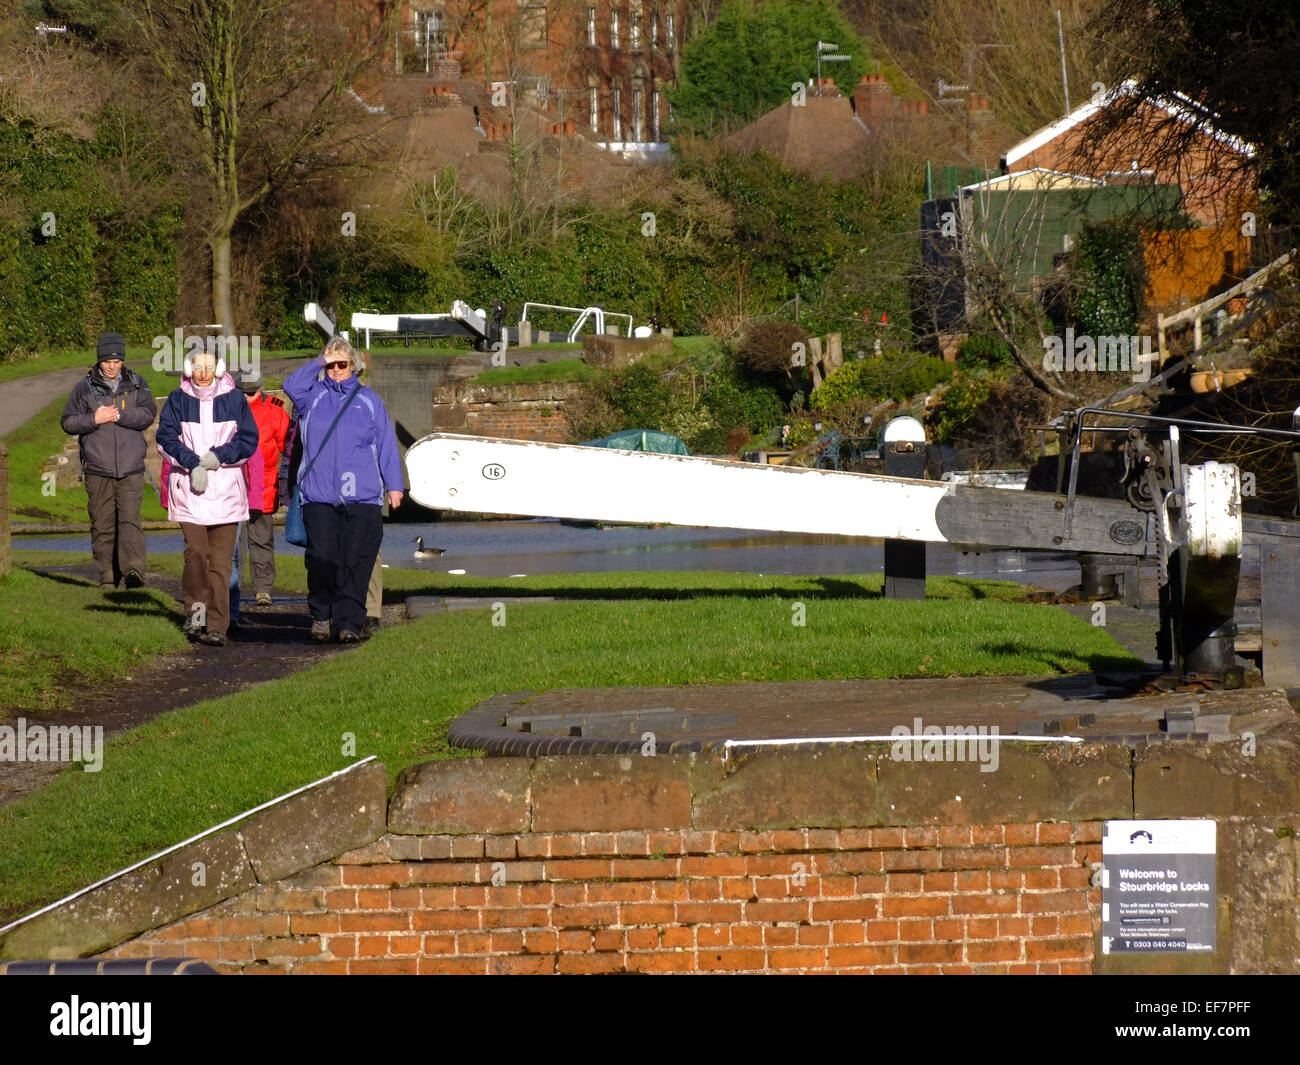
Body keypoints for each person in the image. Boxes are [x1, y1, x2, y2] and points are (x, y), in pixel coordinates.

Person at [282, 335, 403, 643]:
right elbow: (291, 385)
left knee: (356, 560)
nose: (336, 369)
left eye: (342, 364)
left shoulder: (369, 401)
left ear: (353, 366)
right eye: (331, 364)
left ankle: (349, 623)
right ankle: (321, 614)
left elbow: (386, 445)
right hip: (319, 495)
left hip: (362, 495)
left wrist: (395, 486)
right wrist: (319, 361)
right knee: (322, 556)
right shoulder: (312, 396)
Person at [156, 346, 259, 646]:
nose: (203, 373)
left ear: (219, 367)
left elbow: (248, 440)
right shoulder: (177, 399)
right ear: (189, 369)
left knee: (221, 563)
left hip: (226, 492)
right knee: (197, 555)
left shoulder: (235, 399)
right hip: (190, 491)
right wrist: (191, 463)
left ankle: (217, 624)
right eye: (197, 366)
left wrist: (218, 457)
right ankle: (196, 614)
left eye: (209, 366)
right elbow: (165, 438)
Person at [60, 332, 157, 591]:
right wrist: (94, 419)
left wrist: (119, 416)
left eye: (117, 361)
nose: (113, 366)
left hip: (131, 467)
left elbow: (148, 414)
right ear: (99, 361)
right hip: (97, 468)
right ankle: (107, 577)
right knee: (102, 523)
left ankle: (134, 571)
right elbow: (68, 421)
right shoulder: (83, 387)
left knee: (130, 521)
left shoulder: (137, 383)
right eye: (107, 361)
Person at [237, 371, 290, 607]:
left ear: (260, 390)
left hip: (264, 485)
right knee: (231, 542)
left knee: (261, 540)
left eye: (251, 392)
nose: (247, 397)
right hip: (232, 484)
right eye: (243, 393)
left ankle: (263, 589)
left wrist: (287, 483)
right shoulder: (226, 408)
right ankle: (231, 589)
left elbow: (286, 448)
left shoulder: (274, 411)